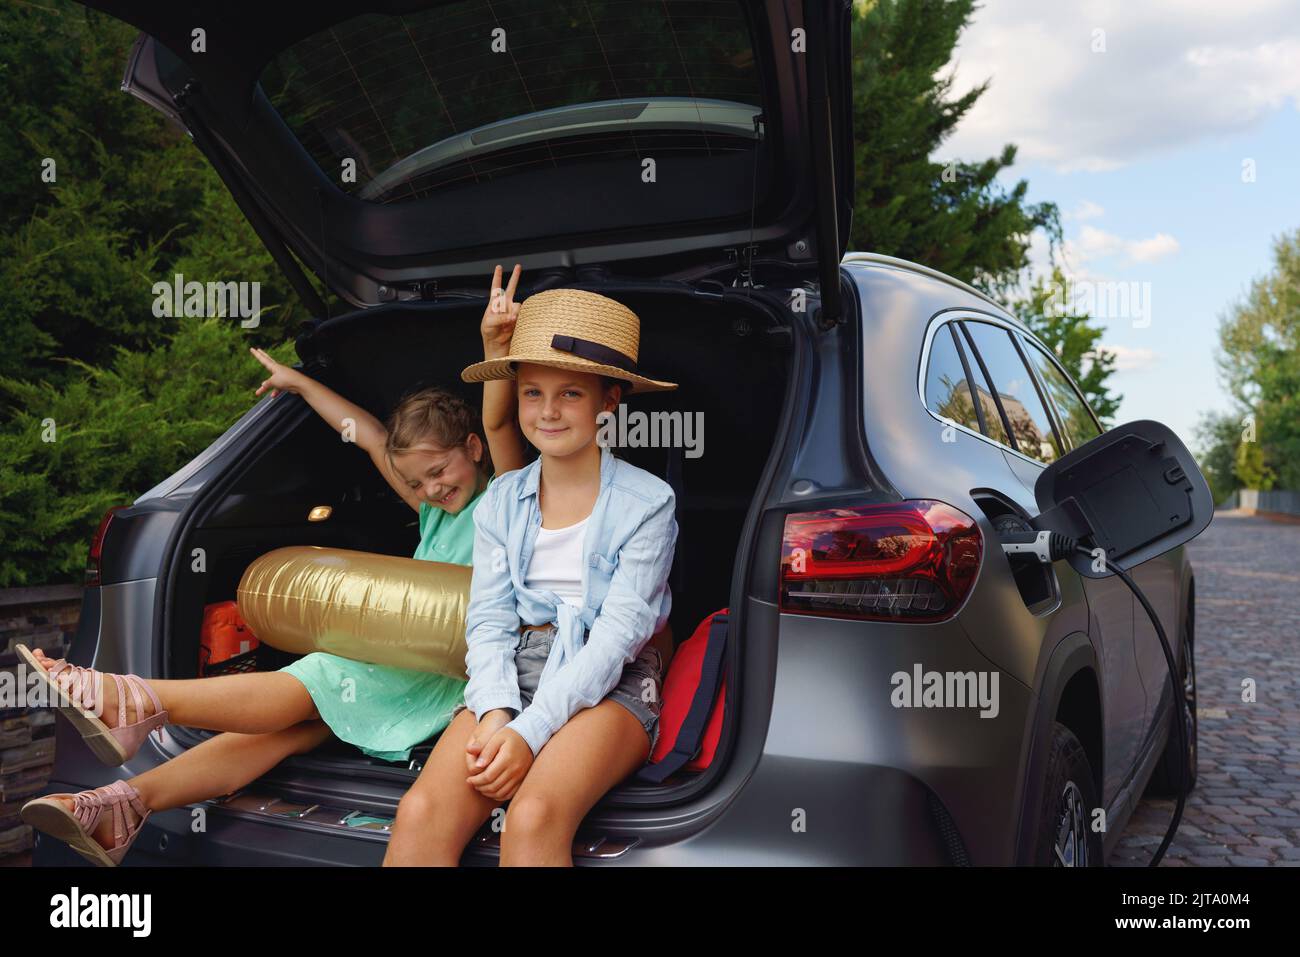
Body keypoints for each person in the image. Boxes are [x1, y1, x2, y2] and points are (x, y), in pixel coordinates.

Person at [19, 266, 531, 867]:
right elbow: (367, 436)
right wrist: (302, 385)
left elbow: (499, 421)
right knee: (283, 727)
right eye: (418, 480)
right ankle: (127, 803)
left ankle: (134, 699)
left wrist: (496, 346)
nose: (433, 488)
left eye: (442, 471)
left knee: (315, 676)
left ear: (473, 449)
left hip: (452, 669)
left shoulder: (508, 496)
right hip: (396, 662)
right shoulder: (433, 510)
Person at [383, 287, 679, 866]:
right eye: (532, 393)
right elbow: (489, 620)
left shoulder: (649, 503)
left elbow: (619, 635)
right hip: (515, 667)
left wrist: (531, 731)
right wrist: (495, 711)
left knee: (534, 814)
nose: (547, 412)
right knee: (421, 812)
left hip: (611, 678)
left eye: (570, 393)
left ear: (608, 401)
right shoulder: (501, 499)